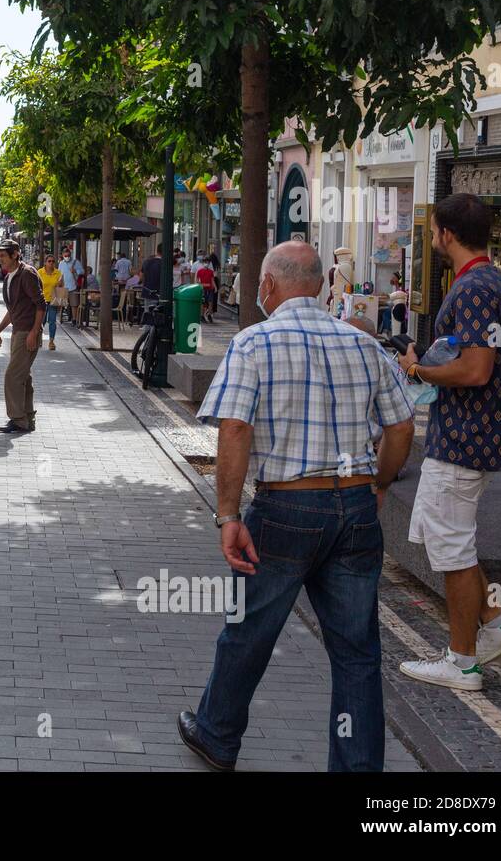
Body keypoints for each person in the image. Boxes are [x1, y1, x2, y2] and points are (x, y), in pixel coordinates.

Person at [179, 240, 415, 772]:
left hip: (285, 509)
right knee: (357, 654)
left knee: (249, 632)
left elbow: (235, 428)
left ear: (267, 286)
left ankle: (217, 735)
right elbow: (402, 425)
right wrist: (376, 484)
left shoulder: (253, 343)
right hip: (353, 507)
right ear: (321, 286)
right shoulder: (363, 344)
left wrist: (228, 515)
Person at [396, 193, 501, 691]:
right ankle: (496, 621)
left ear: (446, 234)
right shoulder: (500, 283)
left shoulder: (472, 288)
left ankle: (462, 661)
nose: (433, 238)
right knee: (447, 537)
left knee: (451, 548)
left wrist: (417, 367)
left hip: (463, 438)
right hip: (481, 436)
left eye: (433, 231)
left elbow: (475, 368)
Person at [0, 240, 44, 434]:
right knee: (23, 377)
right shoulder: (10, 277)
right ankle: (28, 418)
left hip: (27, 332)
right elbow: (12, 310)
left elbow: (41, 304)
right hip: (18, 331)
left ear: (15, 254)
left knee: (12, 376)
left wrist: (34, 332)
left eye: (3, 255)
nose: (0, 259)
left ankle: (18, 419)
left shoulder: (27, 274)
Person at [38, 254, 63, 351]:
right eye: (49, 261)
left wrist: (61, 303)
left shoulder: (58, 273)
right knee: (41, 322)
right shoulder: (40, 272)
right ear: (45, 262)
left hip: (53, 300)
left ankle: (51, 342)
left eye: (53, 261)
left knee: (52, 322)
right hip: (42, 301)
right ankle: (39, 338)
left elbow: (61, 288)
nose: (51, 263)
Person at [56, 248, 84, 323]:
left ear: (70, 254)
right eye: (65, 255)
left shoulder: (75, 262)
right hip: (63, 286)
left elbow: (82, 272)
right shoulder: (61, 263)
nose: (67, 257)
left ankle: (74, 319)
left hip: (73, 286)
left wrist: (75, 271)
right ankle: (62, 318)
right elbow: (59, 274)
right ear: (62, 255)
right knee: (61, 304)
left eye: (68, 255)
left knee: (74, 304)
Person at [195, 254, 217, 323]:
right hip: (203, 289)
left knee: (210, 303)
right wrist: (198, 286)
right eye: (205, 262)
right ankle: (202, 316)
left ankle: (209, 315)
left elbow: (212, 280)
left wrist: (215, 287)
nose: (206, 263)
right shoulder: (199, 271)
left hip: (210, 288)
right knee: (203, 303)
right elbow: (197, 280)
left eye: (208, 262)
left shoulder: (211, 272)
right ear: (203, 262)